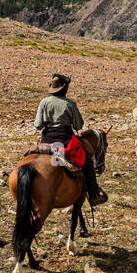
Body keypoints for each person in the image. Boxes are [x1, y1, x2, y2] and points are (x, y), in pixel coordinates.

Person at [34, 73, 107, 206]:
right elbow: (78, 125)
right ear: (65, 89)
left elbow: (38, 125)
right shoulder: (70, 104)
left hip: (46, 140)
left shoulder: (44, 102)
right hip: (65, 141)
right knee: (86, 161)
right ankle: (94, 194)